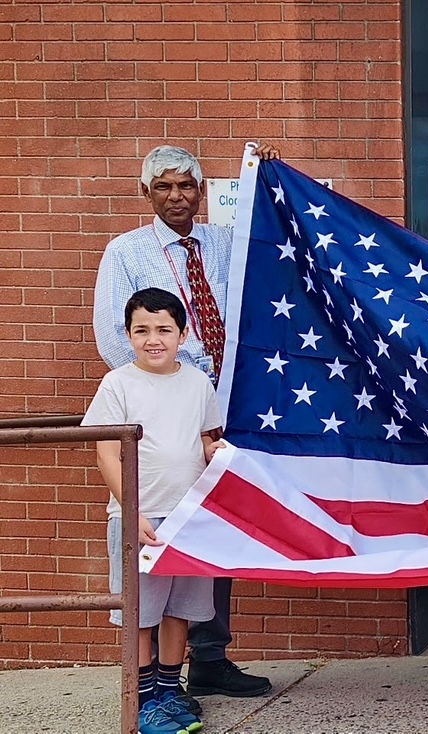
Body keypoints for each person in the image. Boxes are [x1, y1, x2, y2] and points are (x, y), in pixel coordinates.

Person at [92, 143, 279, 702]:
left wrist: (265, 172)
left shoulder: (222, 242)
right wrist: (188, 372)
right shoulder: (125, 252)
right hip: (169, 411)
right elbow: (111, 340)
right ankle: (155, 687)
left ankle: (211, 658)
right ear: (145, 192)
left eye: (187, 186)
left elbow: (268, 242)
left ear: (201, 191)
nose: (177, 196)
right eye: (165, 186)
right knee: (162, 548)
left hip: (230, 408)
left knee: (211, 530)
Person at [83, 288, 228, 734]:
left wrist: (215, 452)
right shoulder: (118, 384)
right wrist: (133, 510)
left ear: (183, 334)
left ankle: (170, 691)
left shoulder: (198, 383)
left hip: (189, 519)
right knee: (141, 615)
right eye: (141, 330)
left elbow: (205, 439)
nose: (153, 339)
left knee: (178, 611)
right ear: (128, 335)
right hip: (142, 520)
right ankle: (143, 700)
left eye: (164, 329)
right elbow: (107, 451)